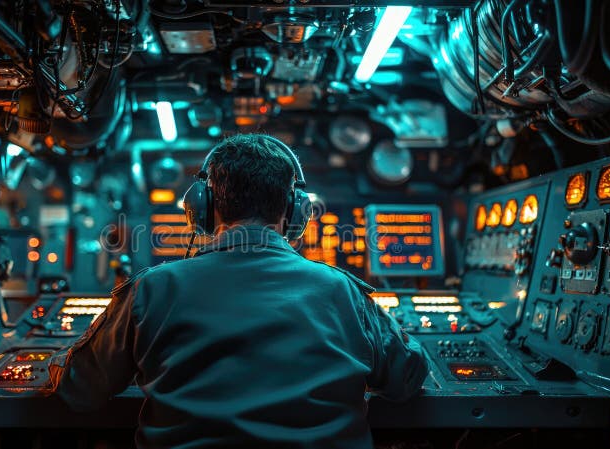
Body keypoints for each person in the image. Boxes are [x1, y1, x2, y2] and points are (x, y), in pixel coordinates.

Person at [48, 133, 428, 449]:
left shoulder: (152, 290)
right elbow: (408, 377)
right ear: (296, 212)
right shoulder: (342, 291)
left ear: (201, 207)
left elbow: (78, 390)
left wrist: (60, 358)